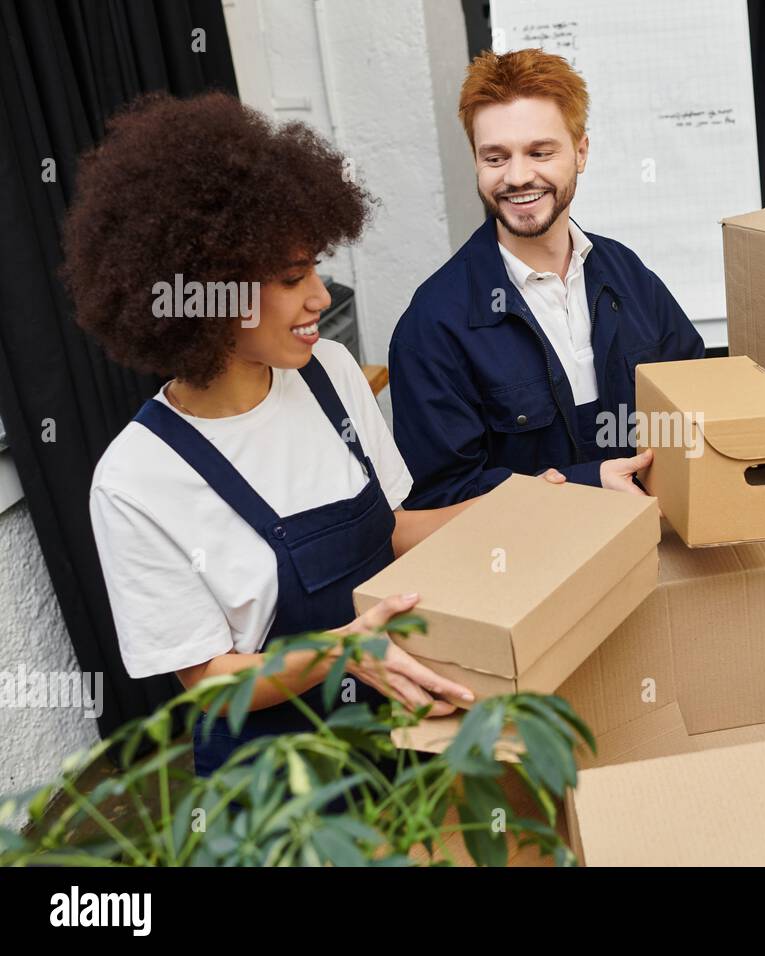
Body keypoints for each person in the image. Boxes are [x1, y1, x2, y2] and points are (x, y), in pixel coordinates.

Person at [65, 92, 474, 778]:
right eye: (292, 278)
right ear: (208, 292)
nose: (320, 296)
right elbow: (212, 682)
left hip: (407, 736)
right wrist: (343, 652)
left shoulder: (333, 374)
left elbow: (391, 530)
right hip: (281, 791)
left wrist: (537, 501)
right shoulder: (137, 479)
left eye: (314, 266)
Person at [389, 48, 706, 509]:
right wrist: (587, 484)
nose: (518, 177)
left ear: (580, 152)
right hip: (524, 572)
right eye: (495, 158)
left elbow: (697, 400)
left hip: (656, 545)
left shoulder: (629, 274)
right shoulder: (433, 326)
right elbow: (441, 499)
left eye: (540, 152)